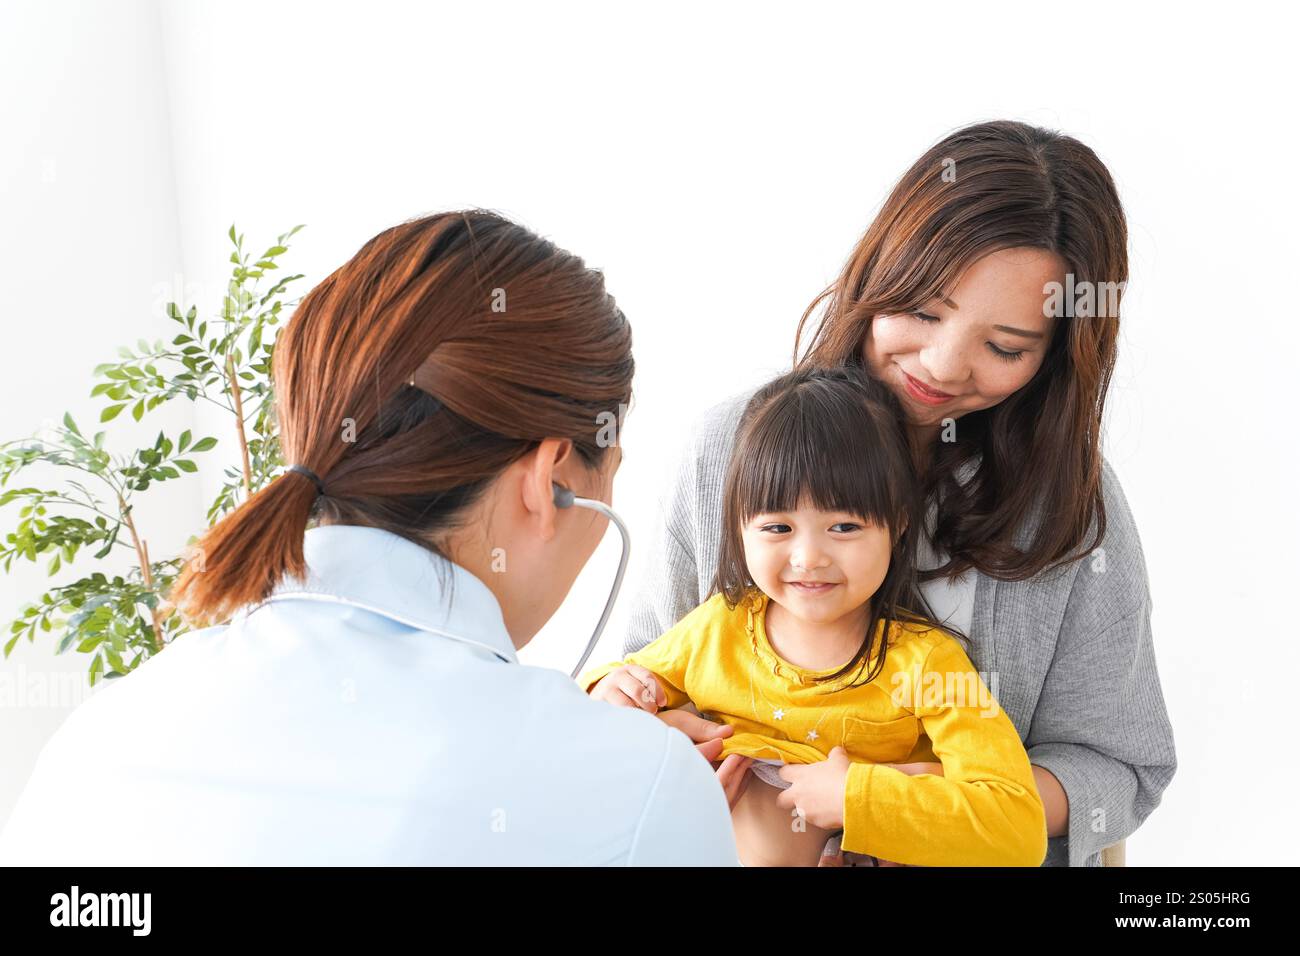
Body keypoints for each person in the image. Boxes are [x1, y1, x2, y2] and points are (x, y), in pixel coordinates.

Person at [0, 210, 738, 866]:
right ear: (550, 484)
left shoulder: (95, 742)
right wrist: (633, 779)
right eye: (609, 473)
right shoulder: (642, 792)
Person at [626, 120, 1178, 867]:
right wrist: (652, 730)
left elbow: (1123, 775)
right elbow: (637, 677)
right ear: (875, 276)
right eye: (922, 311)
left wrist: (939, 804)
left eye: (1006, 347)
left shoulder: (1070, 507)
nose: (944, 366)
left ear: (1056, 358)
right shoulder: (729, 448)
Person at [582, 366, 1049, 867]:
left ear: (898, 523)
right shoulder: (719, 626)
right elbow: (616, 694)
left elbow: (1017, 830)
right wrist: (610, 690)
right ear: (740, 528)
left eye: (844, 525)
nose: (808, 557)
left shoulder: (928, 665)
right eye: (778, 526)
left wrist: (858, 796)